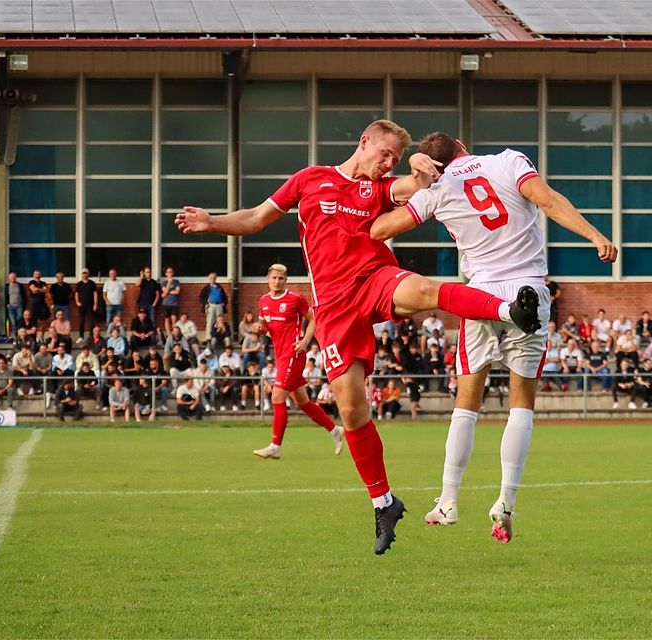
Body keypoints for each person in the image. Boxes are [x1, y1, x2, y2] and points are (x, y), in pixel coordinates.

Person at [177, 120, 542, 555]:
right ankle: (384, 502)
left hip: (374, 279)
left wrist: (421, 166)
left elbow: (413, 184)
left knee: (425, 291)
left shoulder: (382, 188)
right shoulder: (310, 180)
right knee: (351, 408)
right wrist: (212, 222)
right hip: (333, 306)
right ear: (364, 142)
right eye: (384, 153)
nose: (386, 163)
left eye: (393, 158)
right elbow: (256, 218)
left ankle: (510, 309)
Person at [369, 131, 616, 542]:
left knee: (467, 403)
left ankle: (448, 501)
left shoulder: (436, 187)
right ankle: (506, 501)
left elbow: (380, 229)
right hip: (529, 291)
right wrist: (594, 236)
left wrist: (398, 189)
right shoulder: (508, 160)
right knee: (522, 404)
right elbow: (548, 201)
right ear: (463, 146)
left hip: (479, 296)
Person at [251, 264, 345, 460]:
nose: (277, 281)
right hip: (280, 355)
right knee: (302, 401)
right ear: (267, 279)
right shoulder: (263, 301)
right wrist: (260, 329)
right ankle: (335, 430)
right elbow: (267, 328)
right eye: (274, 278)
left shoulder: (295, 299)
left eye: (281, 279)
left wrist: (304, 341)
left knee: (277, 397)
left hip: (294, 354)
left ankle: (275, 445)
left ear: (286, 280)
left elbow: (314, 320)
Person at [199, 272, 228, 338]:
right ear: (209, 278)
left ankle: (220, 336)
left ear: (216, 278)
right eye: (211, 278)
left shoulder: (219, 287)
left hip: (219, 305)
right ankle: (209, 337)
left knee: (220, 321)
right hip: (211, 305)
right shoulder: (206, 288)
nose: (212, 279)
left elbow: (224, 297)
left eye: (214, 278)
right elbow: (201, 297)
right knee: (210, 322)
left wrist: (224, 303)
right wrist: (205, 304)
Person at [74, 268, 99, 342]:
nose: (84, 275)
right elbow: (76, 294)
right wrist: (77, 302)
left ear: (88, 274)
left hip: (90, 305)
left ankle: (91, 336)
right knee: (81, 321)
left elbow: (95, 294)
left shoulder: (92, 283)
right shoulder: (79, 284)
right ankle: (81, 337)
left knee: (91, 321)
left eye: (86, 273)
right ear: (81, 275)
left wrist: (95, 304)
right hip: (82, 306)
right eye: (83, 273)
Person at [158, 267, 181, 336]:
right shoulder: (163, 282)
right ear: (166, 274)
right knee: (167, 320)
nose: (170, 273)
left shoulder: (176, 281)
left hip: (174, 303)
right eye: (168, 272)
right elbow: (164, 291)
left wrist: (167, 293)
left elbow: (177, 292)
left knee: (174, 319)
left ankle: (174, 334)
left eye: (171, 272)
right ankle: (169, 335)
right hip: (166, 303)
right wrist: (169, 283)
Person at [5, 272, 27, 337]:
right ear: (9, 278)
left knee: (19, 321)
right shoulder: (7, 286)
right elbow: (5, 296)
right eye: (11, 277)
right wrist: (7, 304)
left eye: (14, 277)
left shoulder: (19, 285)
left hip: (19, 306)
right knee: (13, 322)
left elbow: (24, 295)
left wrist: (23, 304)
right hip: (10, 307)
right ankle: (15, 337)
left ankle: (21, 335)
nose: (13, 278)